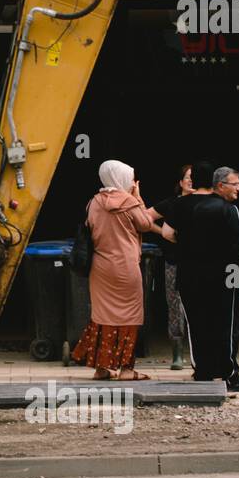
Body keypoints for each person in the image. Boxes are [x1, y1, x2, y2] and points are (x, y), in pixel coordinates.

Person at [160, 166, 239, 392]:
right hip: (223, 278)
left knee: (197, 326)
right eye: (236, 184)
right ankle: (230, 375)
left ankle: (203, 371)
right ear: (220, 185)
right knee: (226, 326)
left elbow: (168, 233)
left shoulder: (182, 207)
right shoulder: (228, 210)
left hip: (189, 276)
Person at [72, 160, 158, 381]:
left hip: (101, 268)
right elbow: (146, 224)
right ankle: (127, 369)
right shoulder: (129, 201)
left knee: (102, 316)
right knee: (130, 316)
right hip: (127, 267)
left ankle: (102, 368)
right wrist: (137, 195)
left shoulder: (94, 202)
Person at [148, 163, 195, 370]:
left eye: (195, 177)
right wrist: (165, 234)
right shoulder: (172, 204)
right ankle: (178, 353)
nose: (191, 181)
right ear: (180, 182)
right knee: (175, 306)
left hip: (199, 262)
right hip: (174, 261)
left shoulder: (206, 203)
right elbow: (145, 218)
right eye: (187, 177)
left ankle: (199, 352)